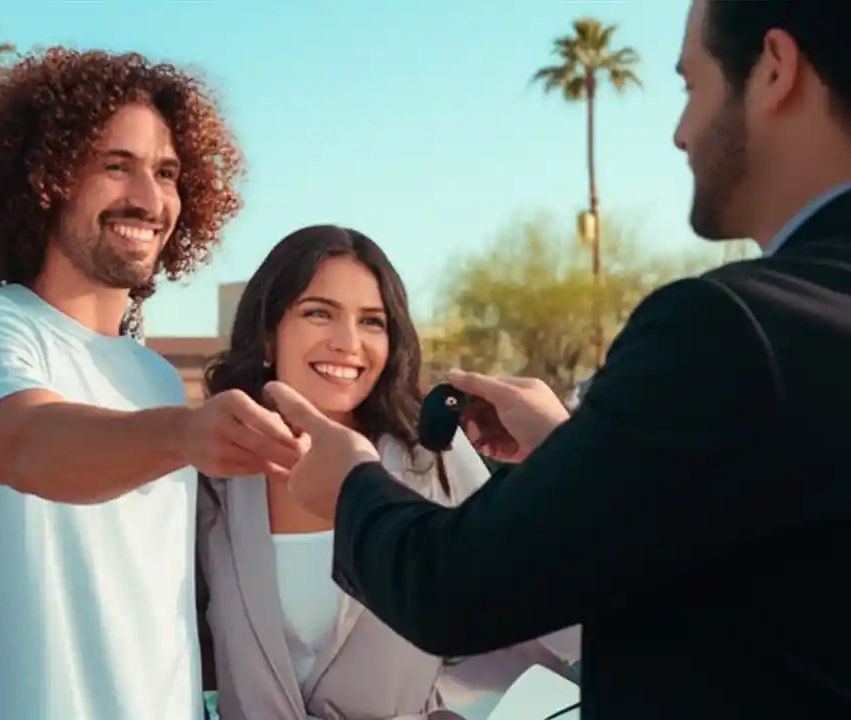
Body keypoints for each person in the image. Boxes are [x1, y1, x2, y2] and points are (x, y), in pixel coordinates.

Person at [262, 2, 851, 717]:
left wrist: (349, 480)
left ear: (775, 70)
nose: (679, 133)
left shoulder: (729, 328)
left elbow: (456, 589)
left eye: (691, 87)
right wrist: (580, 451)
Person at [0, 48, 305, 720]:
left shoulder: (151, 375)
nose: (149, 200)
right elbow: (31, 445)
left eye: (167, 173)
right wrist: (186, 435)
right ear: (45, 177)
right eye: (116, 166)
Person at [195, 225, 579, 720]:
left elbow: (542, 607)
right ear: (268, 334)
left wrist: (566, 460)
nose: (348, 343)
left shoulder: (431, 457)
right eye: (318, 313)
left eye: (372, 322)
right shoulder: (216, 473)